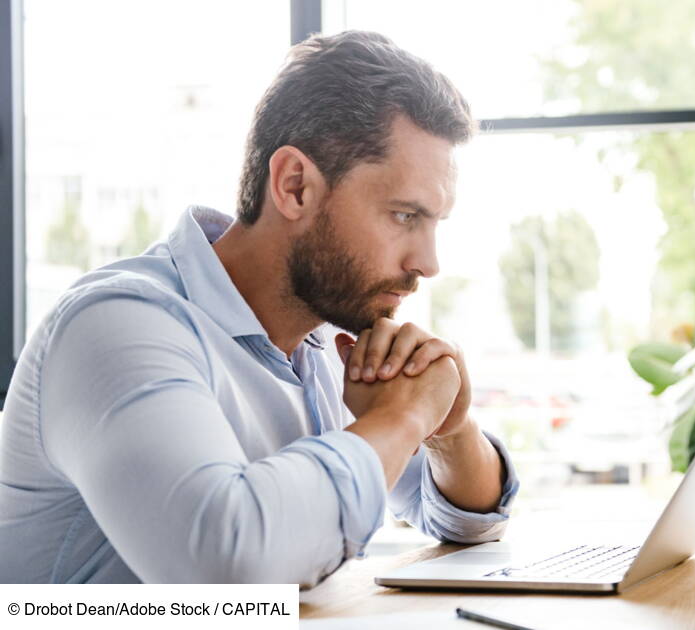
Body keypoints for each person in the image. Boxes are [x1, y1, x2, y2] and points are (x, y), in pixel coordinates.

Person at [0, 30, 517, 585]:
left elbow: (465, 519)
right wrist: (404, 417)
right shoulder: (115, 325)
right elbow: (229, 568)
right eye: (403, 216)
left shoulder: (322, 340)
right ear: (294, 186)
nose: (428, 262)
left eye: (434, 223)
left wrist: (450, 428)